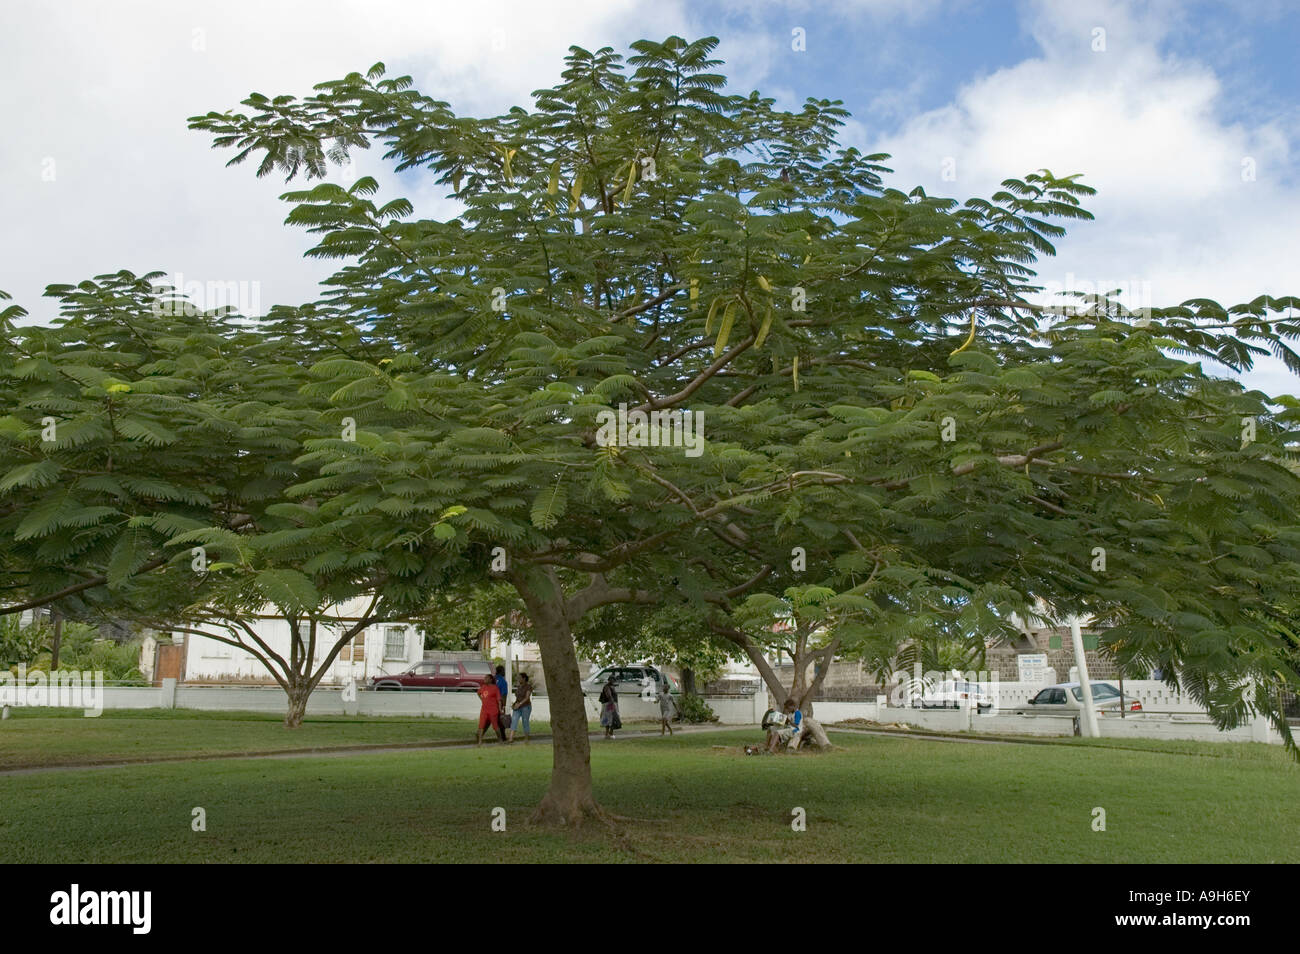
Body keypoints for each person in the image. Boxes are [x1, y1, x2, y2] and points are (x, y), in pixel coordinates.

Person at [476, 674, 503, 745]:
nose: (484, 679)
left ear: (491, 680)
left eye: (486, 678)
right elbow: (478, 693)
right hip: (484, 709)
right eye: (484, 678)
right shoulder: (483, 687)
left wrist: (500, 709)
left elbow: (499, 700)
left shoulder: (495, 688)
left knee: (495, 726)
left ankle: (500, 740)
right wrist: (482, 699)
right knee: (481, 725)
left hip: (493, 710)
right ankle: (480, 742)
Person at [508, 672, 533, 743]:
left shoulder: (528, 687)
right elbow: (518, 698)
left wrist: (520, 704)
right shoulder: (519, 687)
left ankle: (526, 738)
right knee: (514, 721)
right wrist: (514, 704)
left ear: (524, 678)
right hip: (517, 707)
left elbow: (527, 697)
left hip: (526, 707)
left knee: (525, 722)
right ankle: (511, 739)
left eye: (520, 678)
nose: (518, 679)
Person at [598, 674, 620, 739]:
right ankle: (609, 734)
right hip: (609, 704)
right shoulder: (607, 687)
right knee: (611, 718)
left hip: (610, 704)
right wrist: (612, 703)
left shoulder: (611, 686)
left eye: (613, 679)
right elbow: (609, 695)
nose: (613, 681)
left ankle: (608, 734)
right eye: (611, 679)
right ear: (609, 680)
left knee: (610, 719)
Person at [494, 664, 510, 737]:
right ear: (501, 671)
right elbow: (504, 695)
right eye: (504, 670)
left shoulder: (492, 680)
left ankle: (480, 734)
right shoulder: (503, 682)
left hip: (490, 703)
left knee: (488, 720)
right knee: (501, 720)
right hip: (499, 704)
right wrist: (504, 706)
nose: (504, 672)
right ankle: (503, 737)